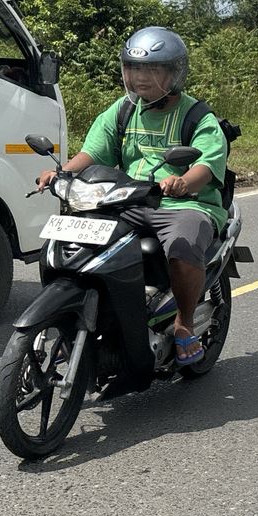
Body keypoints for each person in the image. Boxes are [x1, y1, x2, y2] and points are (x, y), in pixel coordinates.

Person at [37, 27, 228, 367]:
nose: (140, 78)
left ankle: (184, 325)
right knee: (78, 240)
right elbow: (93, 152)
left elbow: (207, 164)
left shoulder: (197, 116)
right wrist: (61, 173)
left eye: (152, 70)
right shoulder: (124, 110)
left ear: (174, 73)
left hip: (184, 205)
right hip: (129, 199)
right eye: (134, 68)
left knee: (182, 249)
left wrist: (184, 182)